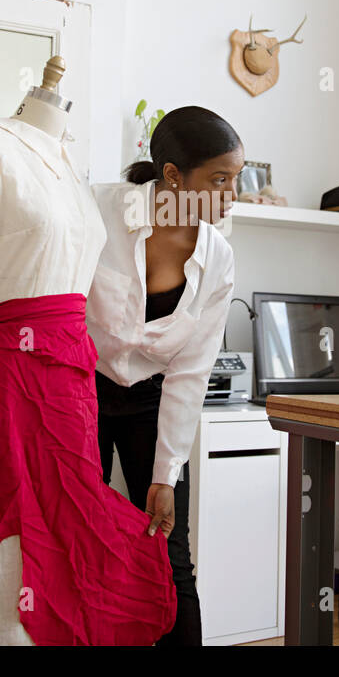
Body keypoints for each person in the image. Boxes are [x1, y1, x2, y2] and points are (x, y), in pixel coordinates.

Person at [86, 106, 243, 646]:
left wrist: (165, 472)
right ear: (173, 175)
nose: (232, 194)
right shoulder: (97, 209)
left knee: (168, 547)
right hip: (80, 391)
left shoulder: (218, 257)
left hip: (154, 400)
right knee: (77, 539)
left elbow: (191, 371)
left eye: (237, 178)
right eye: (219, 179)